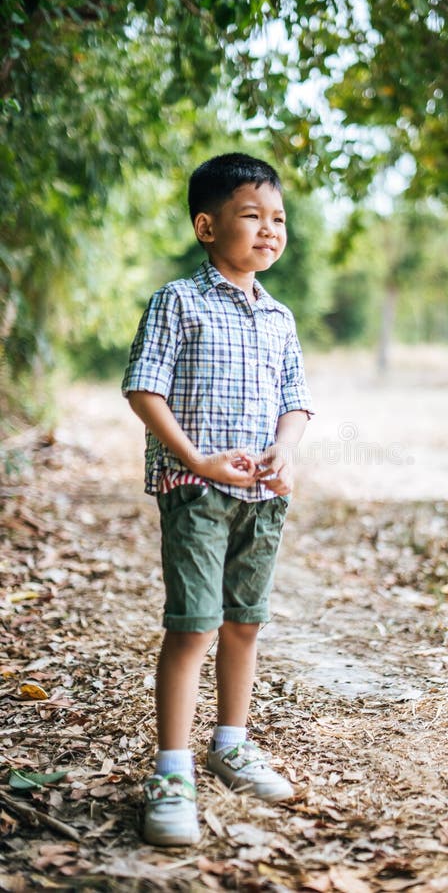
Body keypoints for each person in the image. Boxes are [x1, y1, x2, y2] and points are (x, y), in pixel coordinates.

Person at [122, 152, 313, 846]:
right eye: (250, 216)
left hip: (263, 496)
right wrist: (196, 458)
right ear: (207, 226)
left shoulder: (281, 317)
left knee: (244, 623)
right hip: (195, 490)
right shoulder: (179, 301)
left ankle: (230, 743)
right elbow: (144, 387)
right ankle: (172, 771)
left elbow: (295, 402)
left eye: (278, 218)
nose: (269, 229)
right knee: (194, 625)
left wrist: (285, 451)